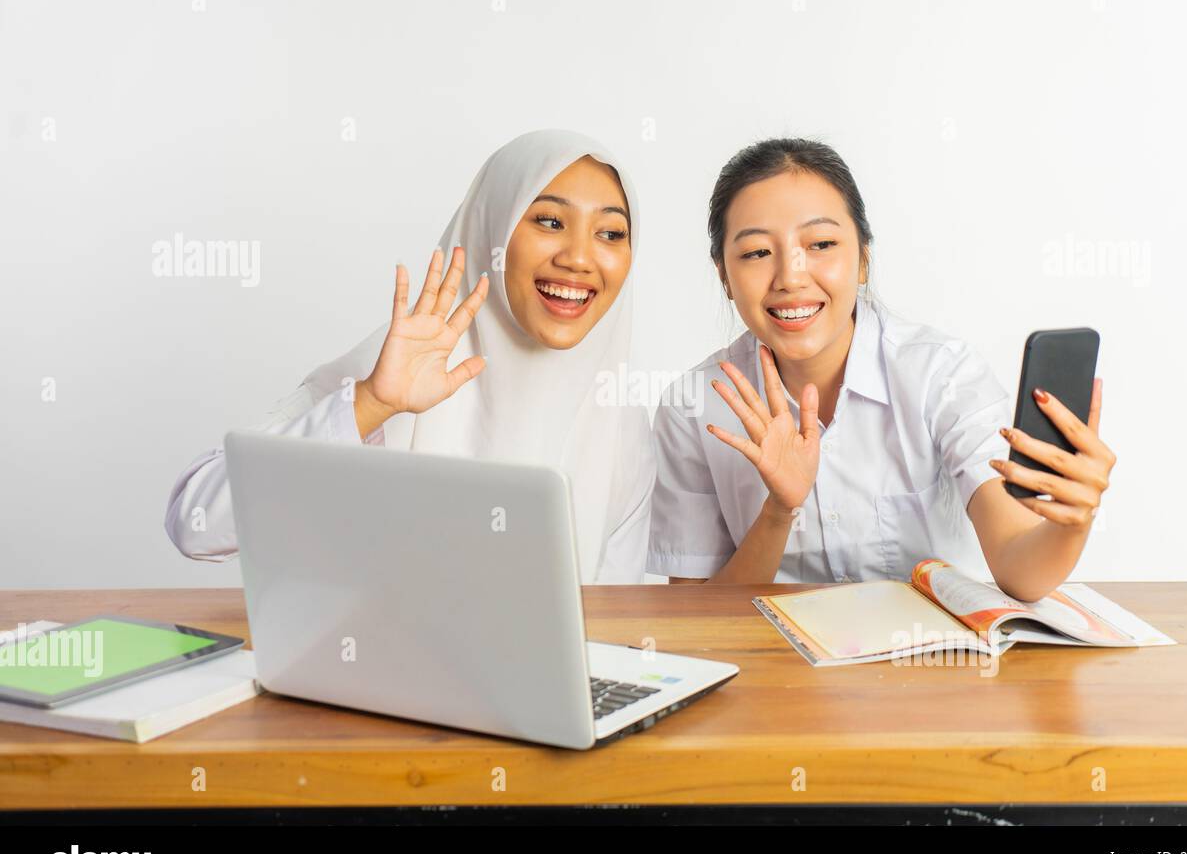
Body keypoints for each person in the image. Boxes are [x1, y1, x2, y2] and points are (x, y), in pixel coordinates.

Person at [165, 129, 654, 583]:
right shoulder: (398, 369)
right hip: (367, 673)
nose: (579, 257)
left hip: (546, 678)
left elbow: (611, 621)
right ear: (491, 229)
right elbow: (195, 524)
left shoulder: (621, 421)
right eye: (550, 221)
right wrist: (372, 403)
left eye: (610, 234)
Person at [647, 138, 1116, 600]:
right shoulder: (695, 407)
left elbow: (1022, 570)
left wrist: (1072, 521)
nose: (790, 276)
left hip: (932, 668)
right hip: (781, 672)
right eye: (756, 253)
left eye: (822, 243)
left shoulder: (941, 374)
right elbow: (696, 615)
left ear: (863, 259)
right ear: (724, 276)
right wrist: (779, 510)